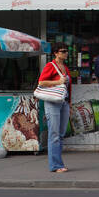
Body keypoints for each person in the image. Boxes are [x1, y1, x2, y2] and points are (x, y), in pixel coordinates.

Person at [38, 43, 72, 173]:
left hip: (63, 102)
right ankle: (56, 165)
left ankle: (58, 163)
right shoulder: (50, 66)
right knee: (54, 134)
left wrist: (69, 104)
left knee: (61, 133)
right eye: (63, 51)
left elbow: (68, 88)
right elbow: (41, 82)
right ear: (56, 53)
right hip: (52, 102)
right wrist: (58, 82)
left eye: (66, 51)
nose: (66, 53)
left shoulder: (65, 67)